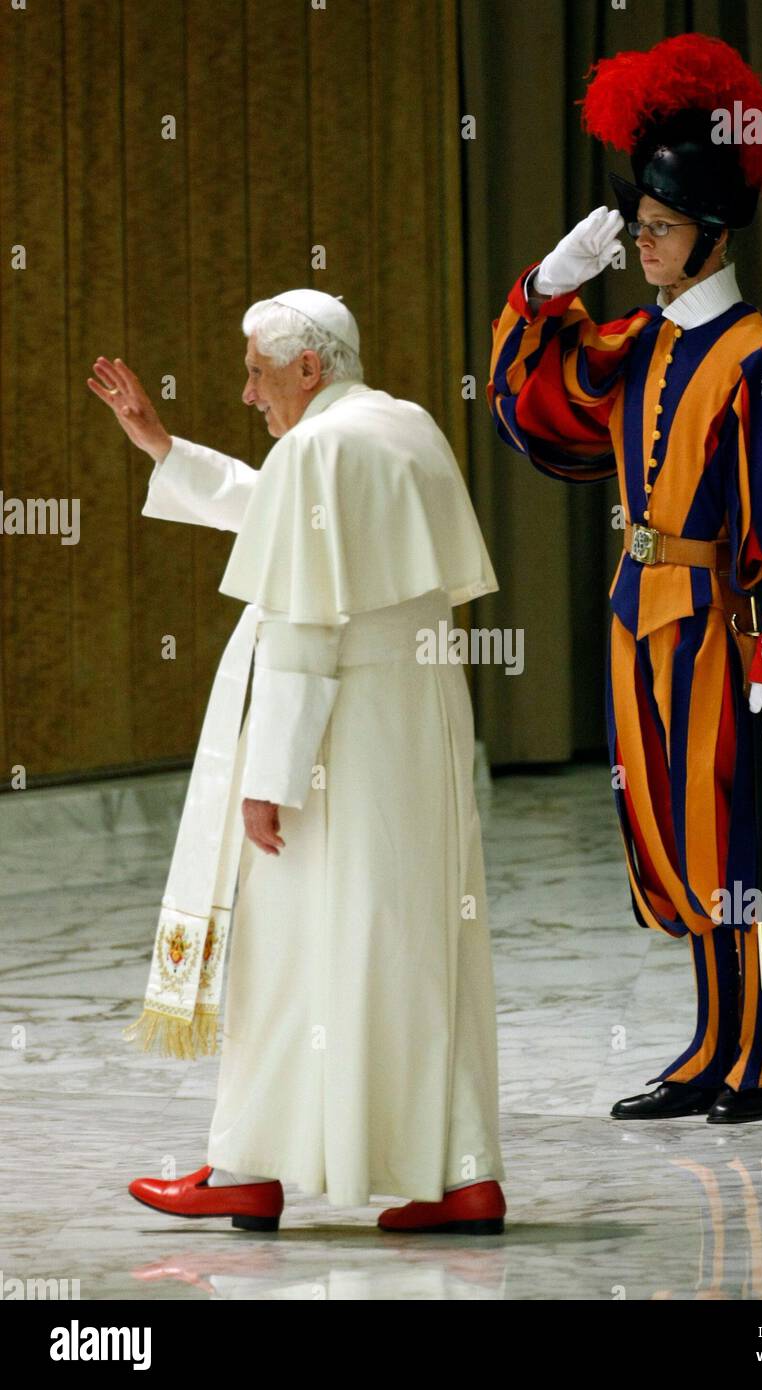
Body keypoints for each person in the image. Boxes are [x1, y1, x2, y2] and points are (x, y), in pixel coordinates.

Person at [488, 35, 762, 1124]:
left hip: (724, 625)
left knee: (747, 838)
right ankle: (708, 1043)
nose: (641, 246)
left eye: (656, 230)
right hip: (638, 617)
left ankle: (760, 1056)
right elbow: (533, 413)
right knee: (673, 838)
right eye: (639, 229)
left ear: (708, 235)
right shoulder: (639, 342)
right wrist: (543, 290)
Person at [88, 288, 507, 1231]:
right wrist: (163, 447)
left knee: (279, 955)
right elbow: (284, 513)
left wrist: (268, 781)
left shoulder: (319, 444)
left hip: (335, 744)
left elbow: (303, 633)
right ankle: (462, 1171)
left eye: (257, 371)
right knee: (411, 946)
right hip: (416, 731)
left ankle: (245, 1165)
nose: (246, 393)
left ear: (308, 368)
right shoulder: (399, 423)